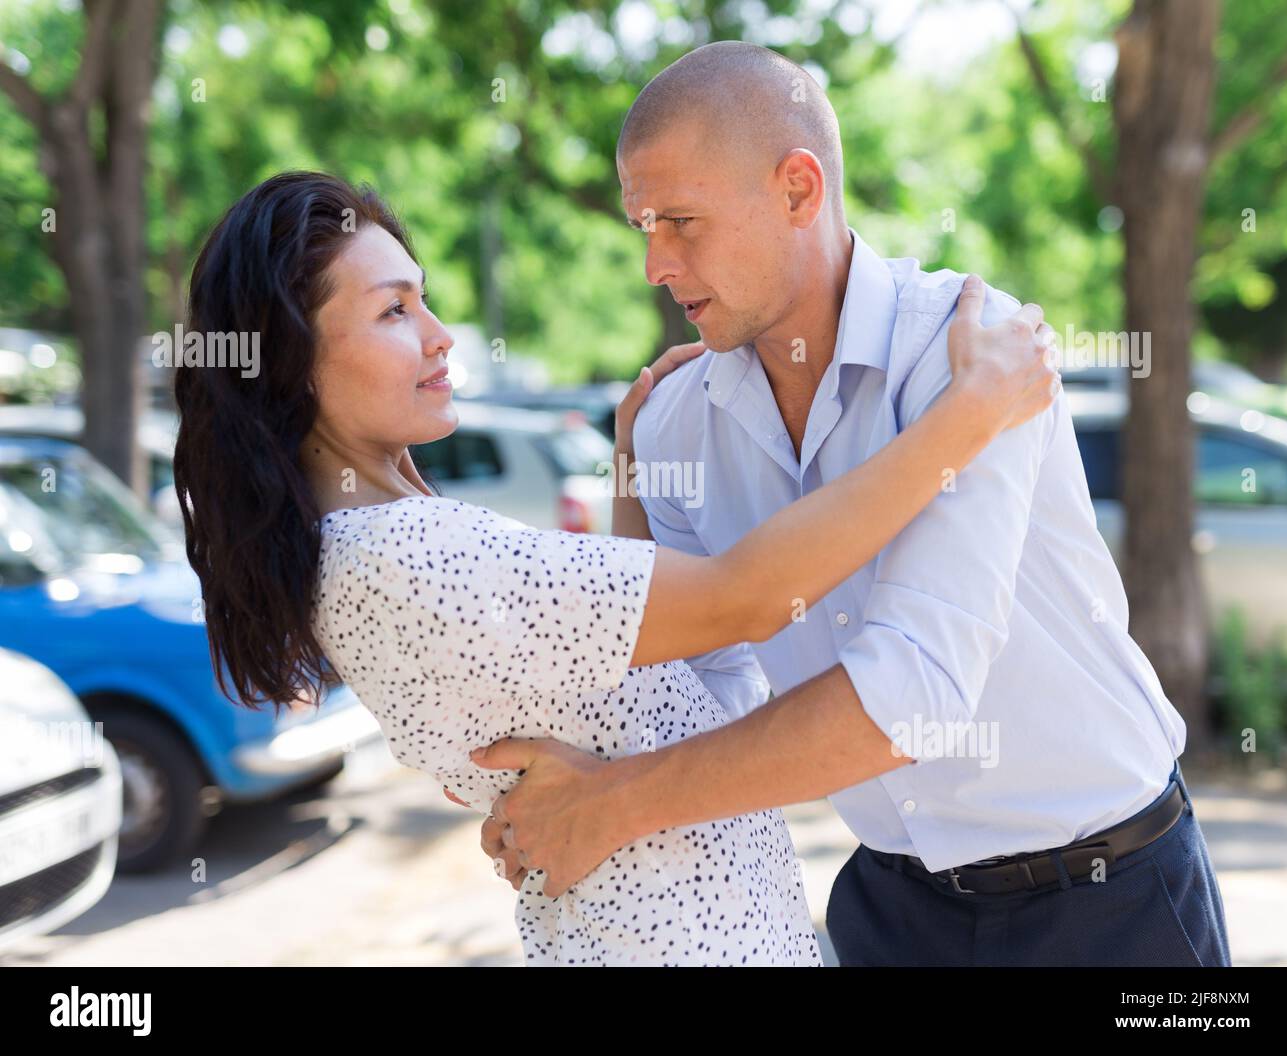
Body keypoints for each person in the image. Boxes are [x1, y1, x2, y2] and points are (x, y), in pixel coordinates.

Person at [471, 41, 1232, 968]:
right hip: (890, 913)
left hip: (1114, 906)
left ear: (799, 190)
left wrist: (614, 803)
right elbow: (692, 688)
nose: (654, 265)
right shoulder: (673, 426)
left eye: (680, 221)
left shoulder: (978, 354)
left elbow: (916, 692)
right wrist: (632, 480)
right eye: (643, 227)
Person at [171, 169, 1056, 966]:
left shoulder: (378, 545)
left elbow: (649, 681)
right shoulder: (405, 556)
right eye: (394, 311)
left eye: (425, 301)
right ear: (289, 358)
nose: (442, 337)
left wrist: (633, 471)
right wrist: (969, 415)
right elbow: (743, 602)